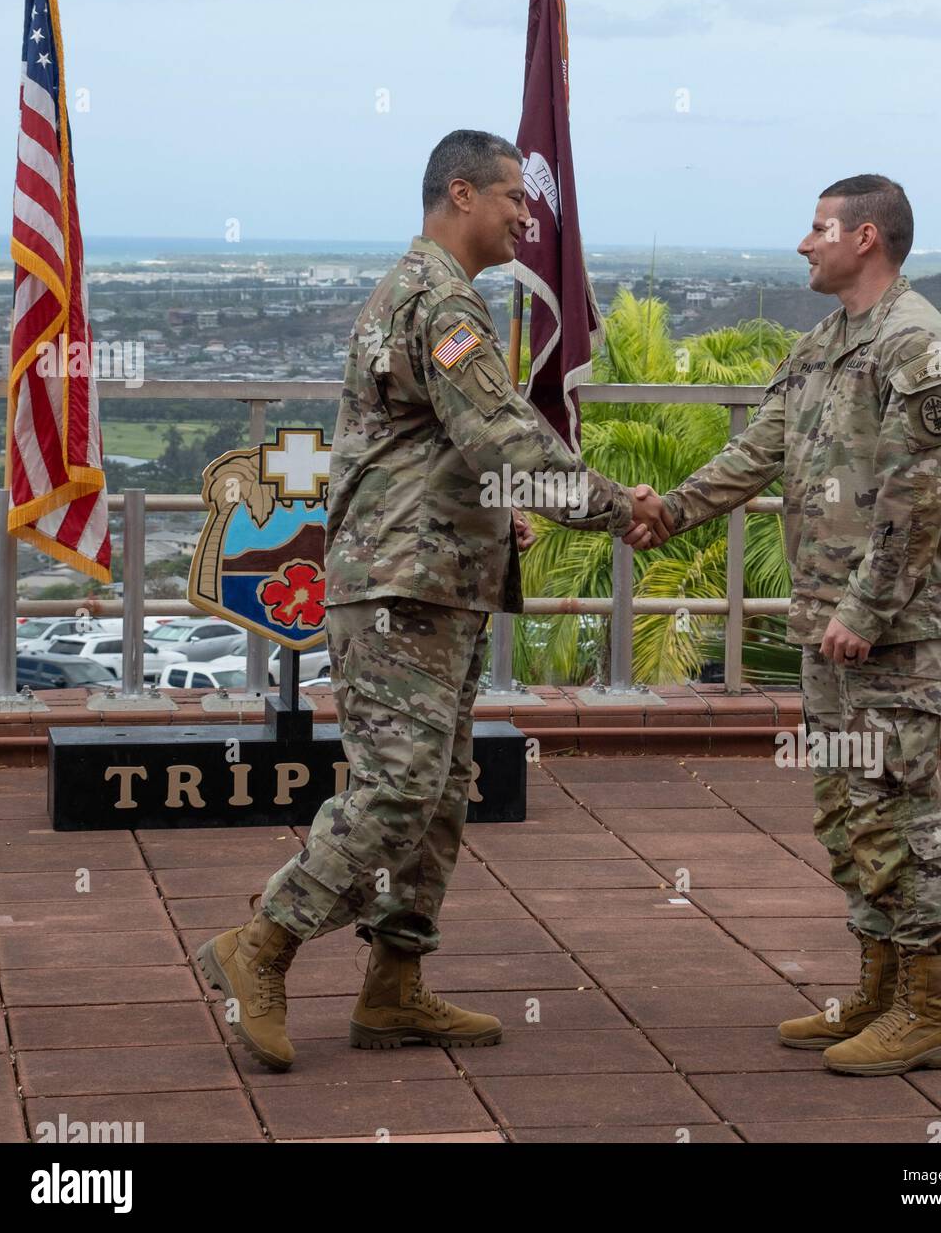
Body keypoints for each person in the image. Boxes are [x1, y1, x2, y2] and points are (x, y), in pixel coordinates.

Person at [197, 130, 672, 1069]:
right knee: (401, 787)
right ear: (461, 194)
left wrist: (499, 521)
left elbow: (437, 449)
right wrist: (619, 509)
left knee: (443, 791)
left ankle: (394, 985)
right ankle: (263, 944)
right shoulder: (441, 304)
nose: (525, 220)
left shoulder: (419, 295)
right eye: (512, 202)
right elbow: (502, 440)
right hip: (397, 587)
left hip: (434, 578)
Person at [625, 175, 941, 1076]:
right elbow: (759, 449)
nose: (802, 243)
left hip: (886, 629)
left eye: (817, 228)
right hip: (827, 625)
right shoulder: (823, 342)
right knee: (843, 810)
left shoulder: (917, 345)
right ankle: (878, 987)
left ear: (865, 237)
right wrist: (670, 510)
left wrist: (865, 608)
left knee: (897, 809)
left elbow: (914, 497)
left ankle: (930, 1009)